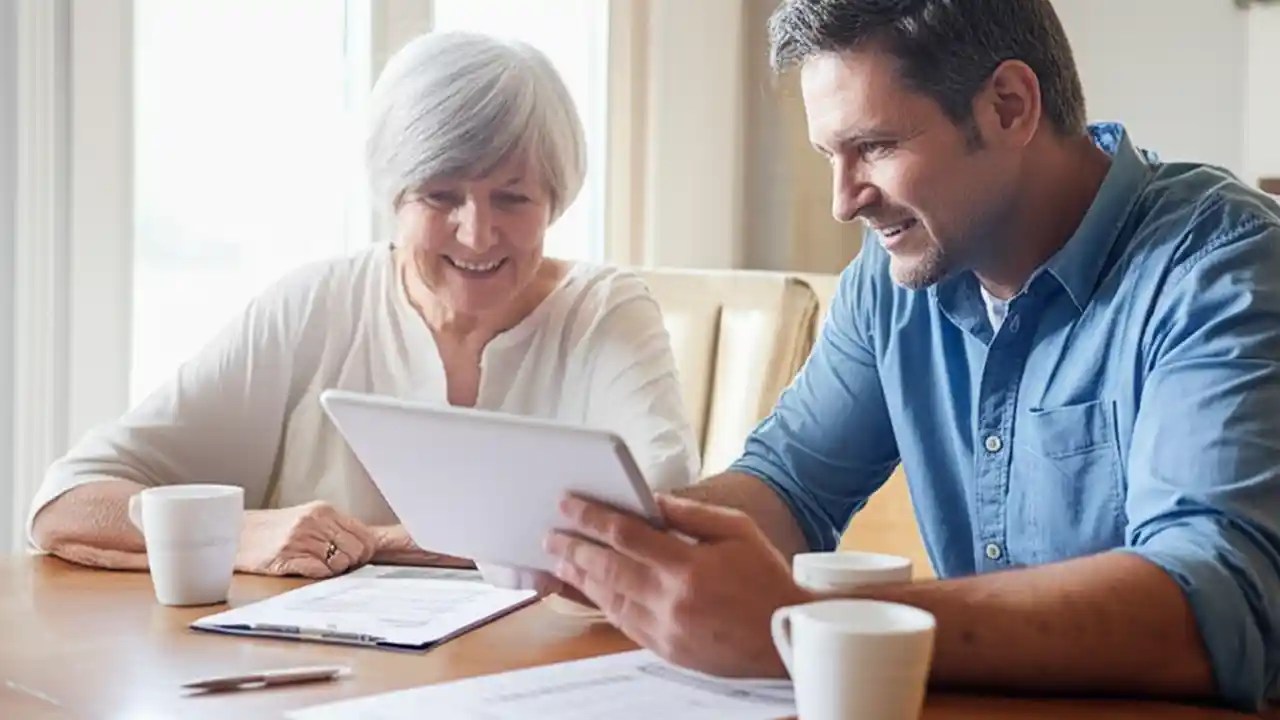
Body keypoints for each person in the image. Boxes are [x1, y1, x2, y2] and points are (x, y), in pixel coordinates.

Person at [542, 0, 1280, 711]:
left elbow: (1212, 603)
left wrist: (810, 623)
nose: (844, 200)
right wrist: (606, 542)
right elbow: (789, 488)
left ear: (1010, 106)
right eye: (831, 153)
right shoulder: (897, 278)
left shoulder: (1222, 270)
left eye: (876, 146)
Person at [29, 32, 699, 579]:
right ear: (393, 195)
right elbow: (68, 502)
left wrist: (372, 541)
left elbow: (664, 518)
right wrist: (239, 534)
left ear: (556, 199)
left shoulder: (606, 311)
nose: (477, 232)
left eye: (513, 198)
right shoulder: (316, 305)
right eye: (441, 196)